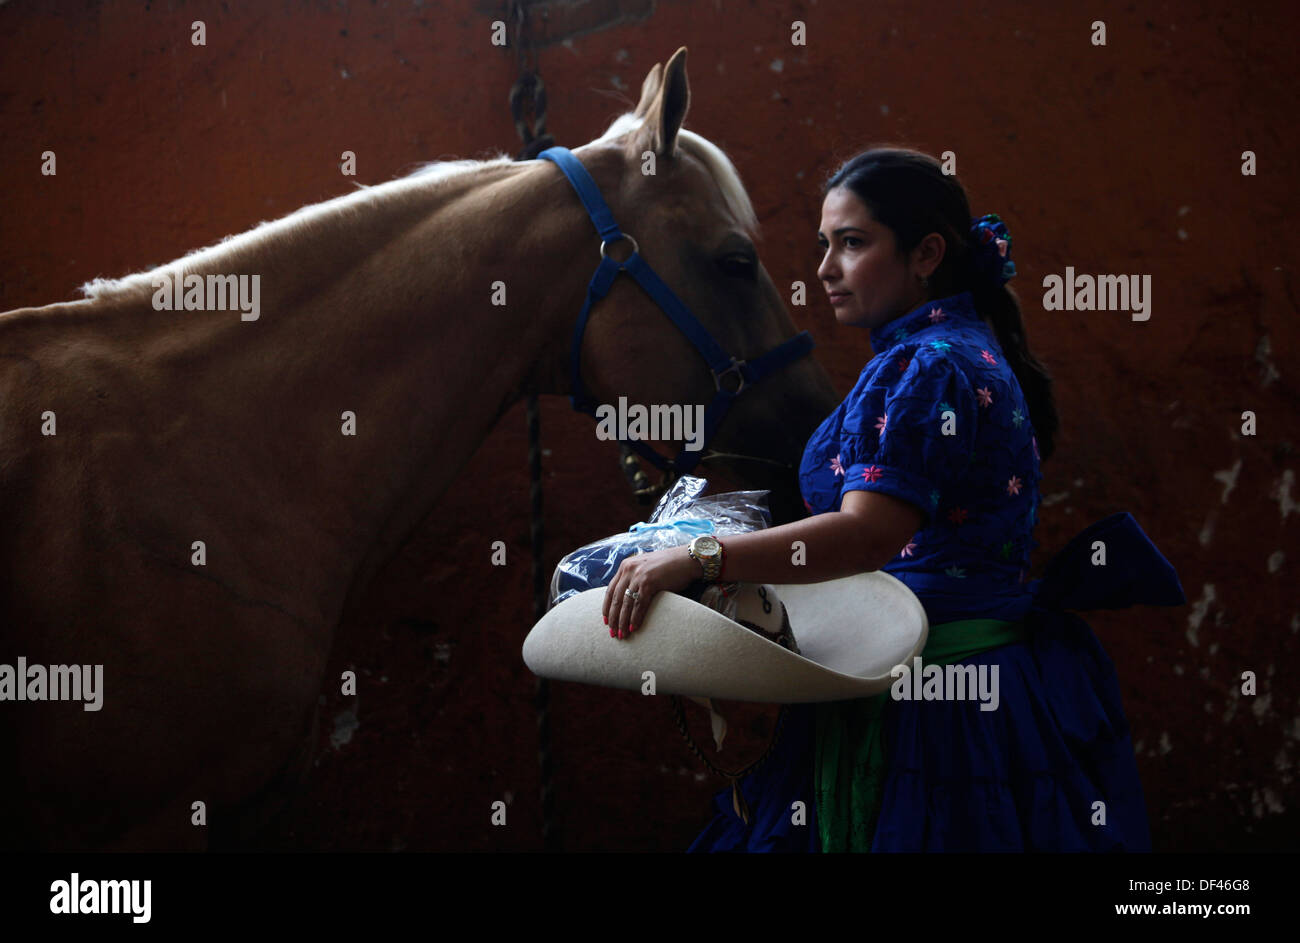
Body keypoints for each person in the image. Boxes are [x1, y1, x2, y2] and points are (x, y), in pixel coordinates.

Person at [601, 148, 1183, 852]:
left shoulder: (927, 365)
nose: (825, 268)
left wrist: (699, 556)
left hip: (929, 703)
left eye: (852, 242)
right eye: (824, 244)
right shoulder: (964, 347)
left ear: (926, 252)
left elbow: (866, 537)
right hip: (989, 679)